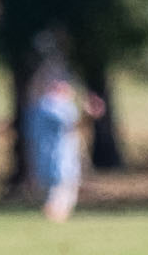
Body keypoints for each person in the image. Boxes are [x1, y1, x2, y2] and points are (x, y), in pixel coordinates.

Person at [21, 36, 103, 224]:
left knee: (60, 196)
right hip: (59, 161)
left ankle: (55, 223)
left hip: (45, 160)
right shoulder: (55, 106)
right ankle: (52, 225)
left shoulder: (37, 107)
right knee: (60, 198)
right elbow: (73, 123)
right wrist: (89, 113)